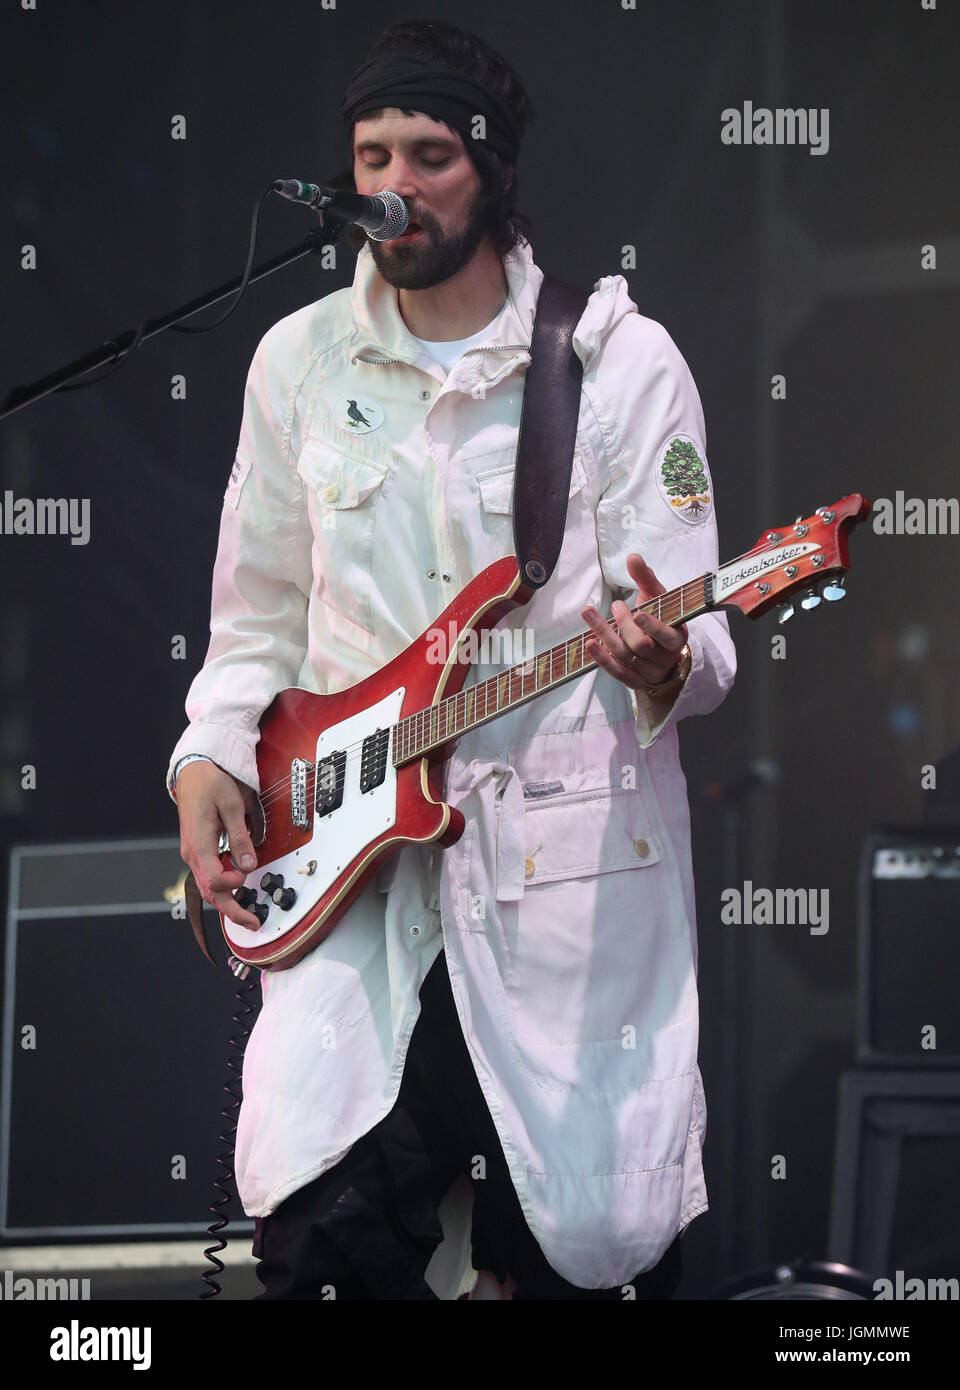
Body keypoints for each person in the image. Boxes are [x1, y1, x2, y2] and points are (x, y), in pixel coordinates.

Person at [168, 19, 736, 1300]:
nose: (397, 181)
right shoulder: (297, 363)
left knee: (580, 1257)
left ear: (493, 172)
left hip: (562, 893)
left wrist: (658, 662)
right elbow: (253, 621)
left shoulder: (615, 364)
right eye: (373, 151)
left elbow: (703, 646)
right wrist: (207, 755)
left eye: (430, 153)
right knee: (320, 1233)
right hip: (358, 891)